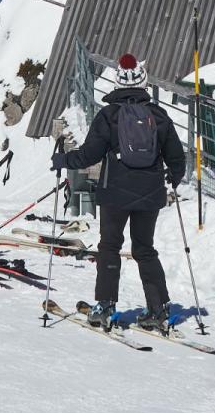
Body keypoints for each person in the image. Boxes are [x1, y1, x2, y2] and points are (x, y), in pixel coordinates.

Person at [51, 53, 188, 331]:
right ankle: (158, 309)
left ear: (117, 82)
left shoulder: (108, 115)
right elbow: (177, 157)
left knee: (109, 247)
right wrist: (173, 176)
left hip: (114, 193)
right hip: (150, 194)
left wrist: (62, 160)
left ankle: (104, 306)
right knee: (144, 249)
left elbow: (89, 155)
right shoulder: (158, 116)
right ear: (143, 82)